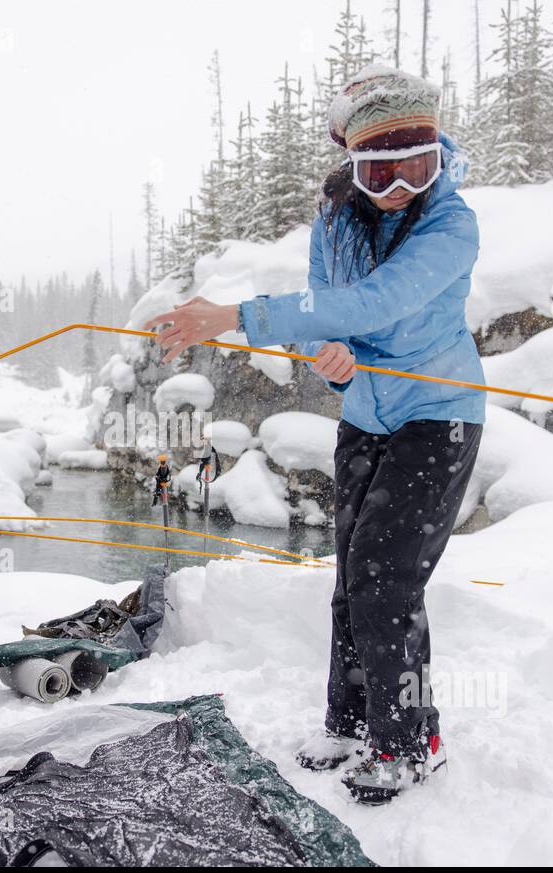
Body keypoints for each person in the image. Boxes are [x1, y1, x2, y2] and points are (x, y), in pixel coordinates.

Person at [143, 62, 485, 803]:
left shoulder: (452, 223)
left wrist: (233, 316)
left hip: (440, 415)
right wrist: (332, 368)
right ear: (353, 166)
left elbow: (374, 303)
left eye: (416, 166)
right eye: (380, 171)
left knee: (388, 575)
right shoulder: (334, 222)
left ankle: (409, 740)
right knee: (351, 576)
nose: (398, 186)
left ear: (436, 156)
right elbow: (333, 322)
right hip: (366, 414)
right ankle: (350, 719)